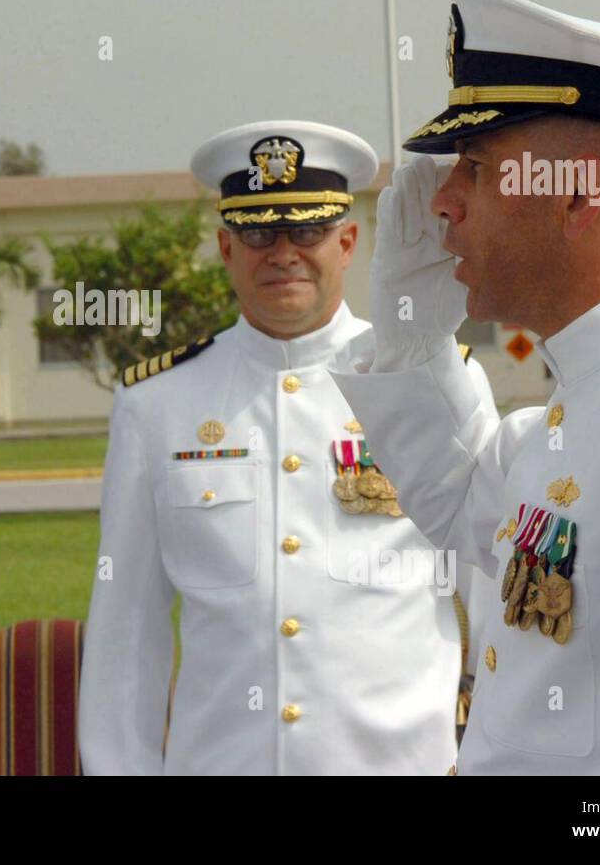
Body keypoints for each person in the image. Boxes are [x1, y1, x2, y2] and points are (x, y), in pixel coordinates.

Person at [331, 0, 600, 774]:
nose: (443, 202)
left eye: (478, 168)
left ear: (579, 196)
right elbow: (465, 501)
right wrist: (413, 330)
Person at [78, 121, 497, 775]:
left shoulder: (429, 380)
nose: (283, 253)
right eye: (258, 233)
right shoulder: (156, 405)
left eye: (307, 231)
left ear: (349, 241)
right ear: (225, 247)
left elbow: (493, 589)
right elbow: (125, 635)